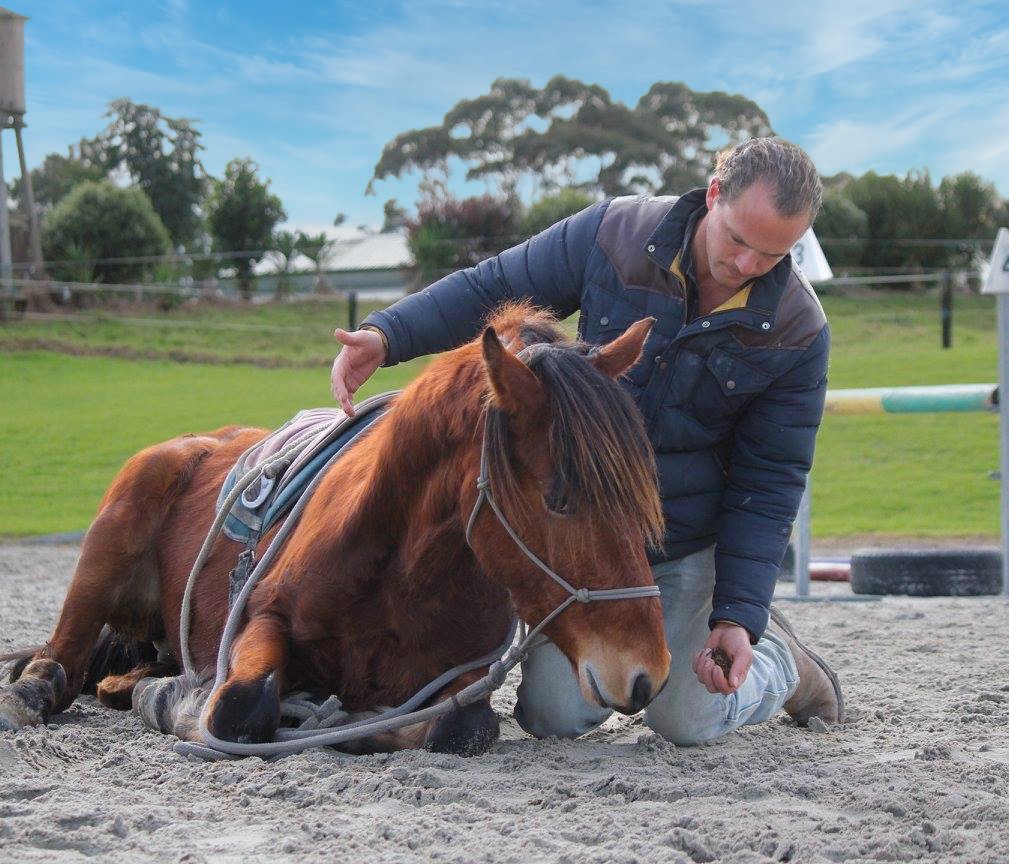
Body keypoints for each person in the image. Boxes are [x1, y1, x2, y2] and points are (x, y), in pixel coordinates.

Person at [329, 137, 842, 745]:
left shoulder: (798, 331)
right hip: (584, 537)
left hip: (682, 540)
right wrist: (387, 336)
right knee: (550, 717)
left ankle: (781, 663)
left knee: (684, 720)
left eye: (773, 253)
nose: (748, 265)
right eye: (738, 239)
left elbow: (770, 482)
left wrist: (738, 616)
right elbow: (492, 285)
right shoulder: (612, 234)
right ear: (713, 197)